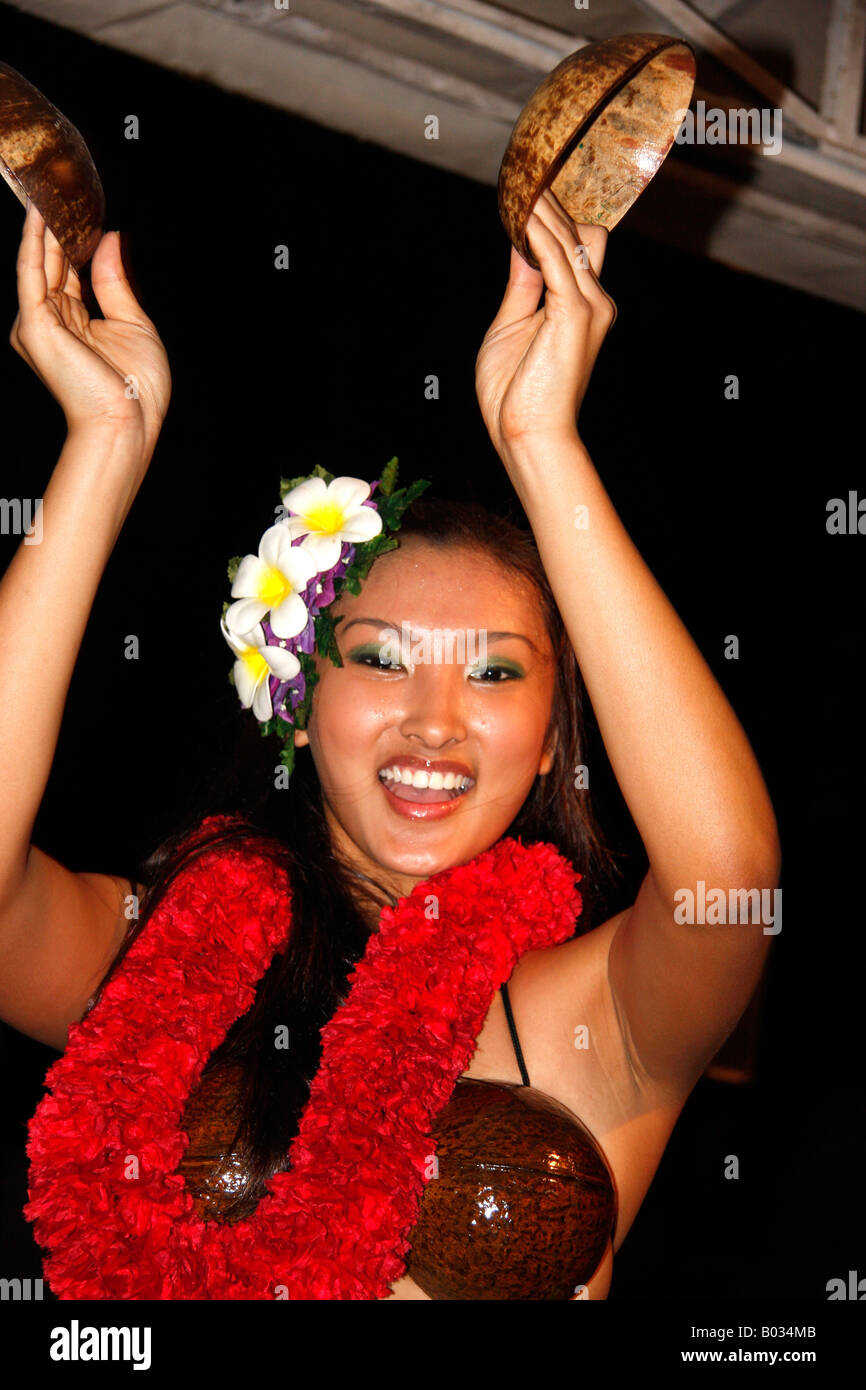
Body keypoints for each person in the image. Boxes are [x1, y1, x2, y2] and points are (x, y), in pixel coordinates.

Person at [0, 192, 780, 1300]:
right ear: (294, 696)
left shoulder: (595, 1017)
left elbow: (729, 878)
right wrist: (102, 447)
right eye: (378, 658)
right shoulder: (152, 963)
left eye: (496, 672)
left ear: (559, 732)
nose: (433, 719)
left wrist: (541, 442)